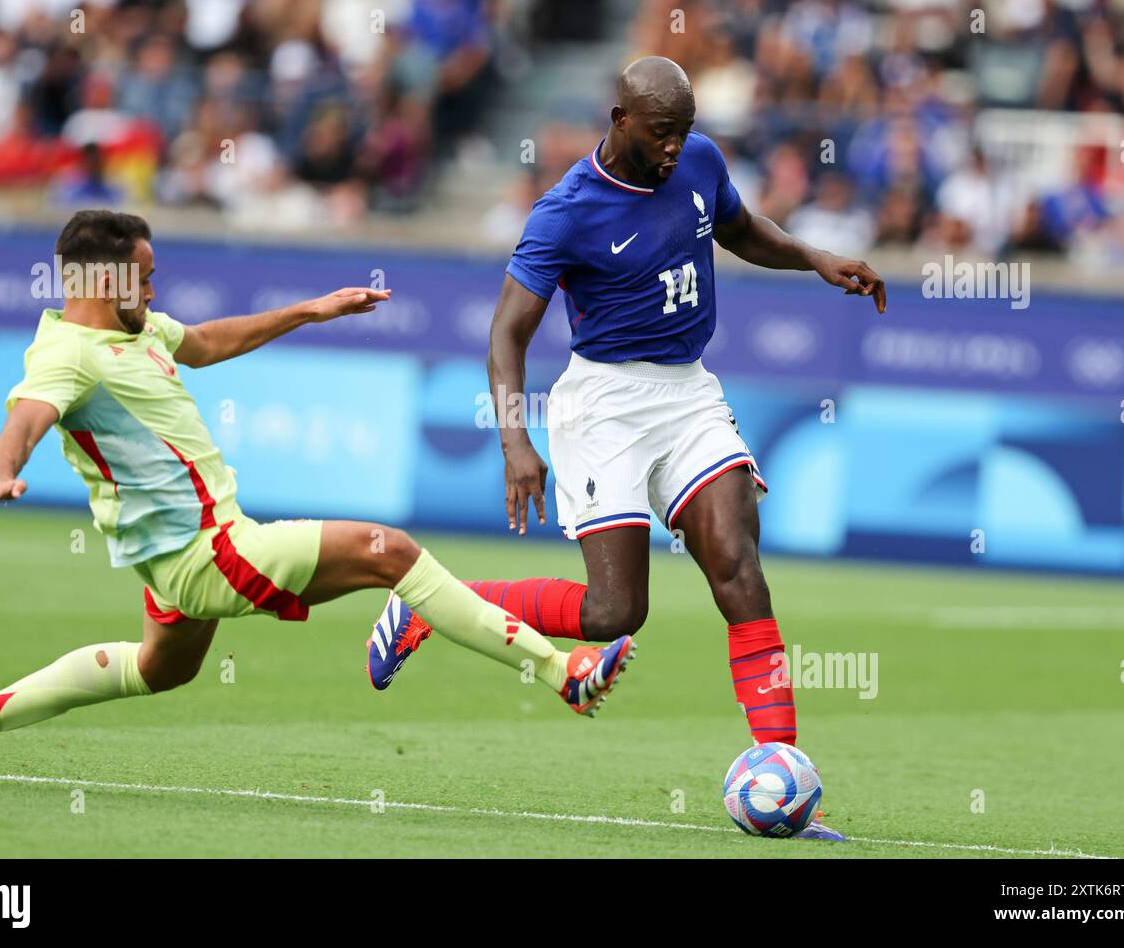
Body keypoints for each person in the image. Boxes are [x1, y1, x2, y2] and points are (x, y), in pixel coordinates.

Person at [0, 209, 636, 783]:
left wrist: (311, 310)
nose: (155, 290)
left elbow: (210, 341)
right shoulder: (68, 355)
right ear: (102, 284)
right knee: (393, 552)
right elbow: (26, 417)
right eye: (145, 276)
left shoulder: (139, 329)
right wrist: (3, 470)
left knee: (161, 668)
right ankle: (559, 670)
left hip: (182, 558)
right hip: (209, 551)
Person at [370, 58, 886, 839]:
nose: (676, 146)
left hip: (688, 393)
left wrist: (813, 257)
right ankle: (428, 603)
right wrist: (517, 441)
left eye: (683, 129)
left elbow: (741, 229)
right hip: (603, 407)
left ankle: (781, 772)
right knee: (617, 611)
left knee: (740, 570)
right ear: (620, 120)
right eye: (660, 131)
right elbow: (507, 335)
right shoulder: (565, 211)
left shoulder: (701, 160)